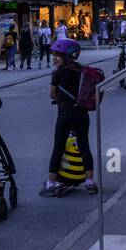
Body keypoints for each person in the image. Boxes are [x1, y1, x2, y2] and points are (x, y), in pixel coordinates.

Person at [41, 38, 97, 196]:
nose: (54, 58)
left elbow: (52, 94)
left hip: (65, 114)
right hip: (82, 113)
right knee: (84, 146)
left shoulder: (58, 73)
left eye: (57, 55)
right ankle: (90, 182)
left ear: (67, 56)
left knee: (58, 146)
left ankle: (51, 183)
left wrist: (62, 100)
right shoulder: (83, 70)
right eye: (54, 55)